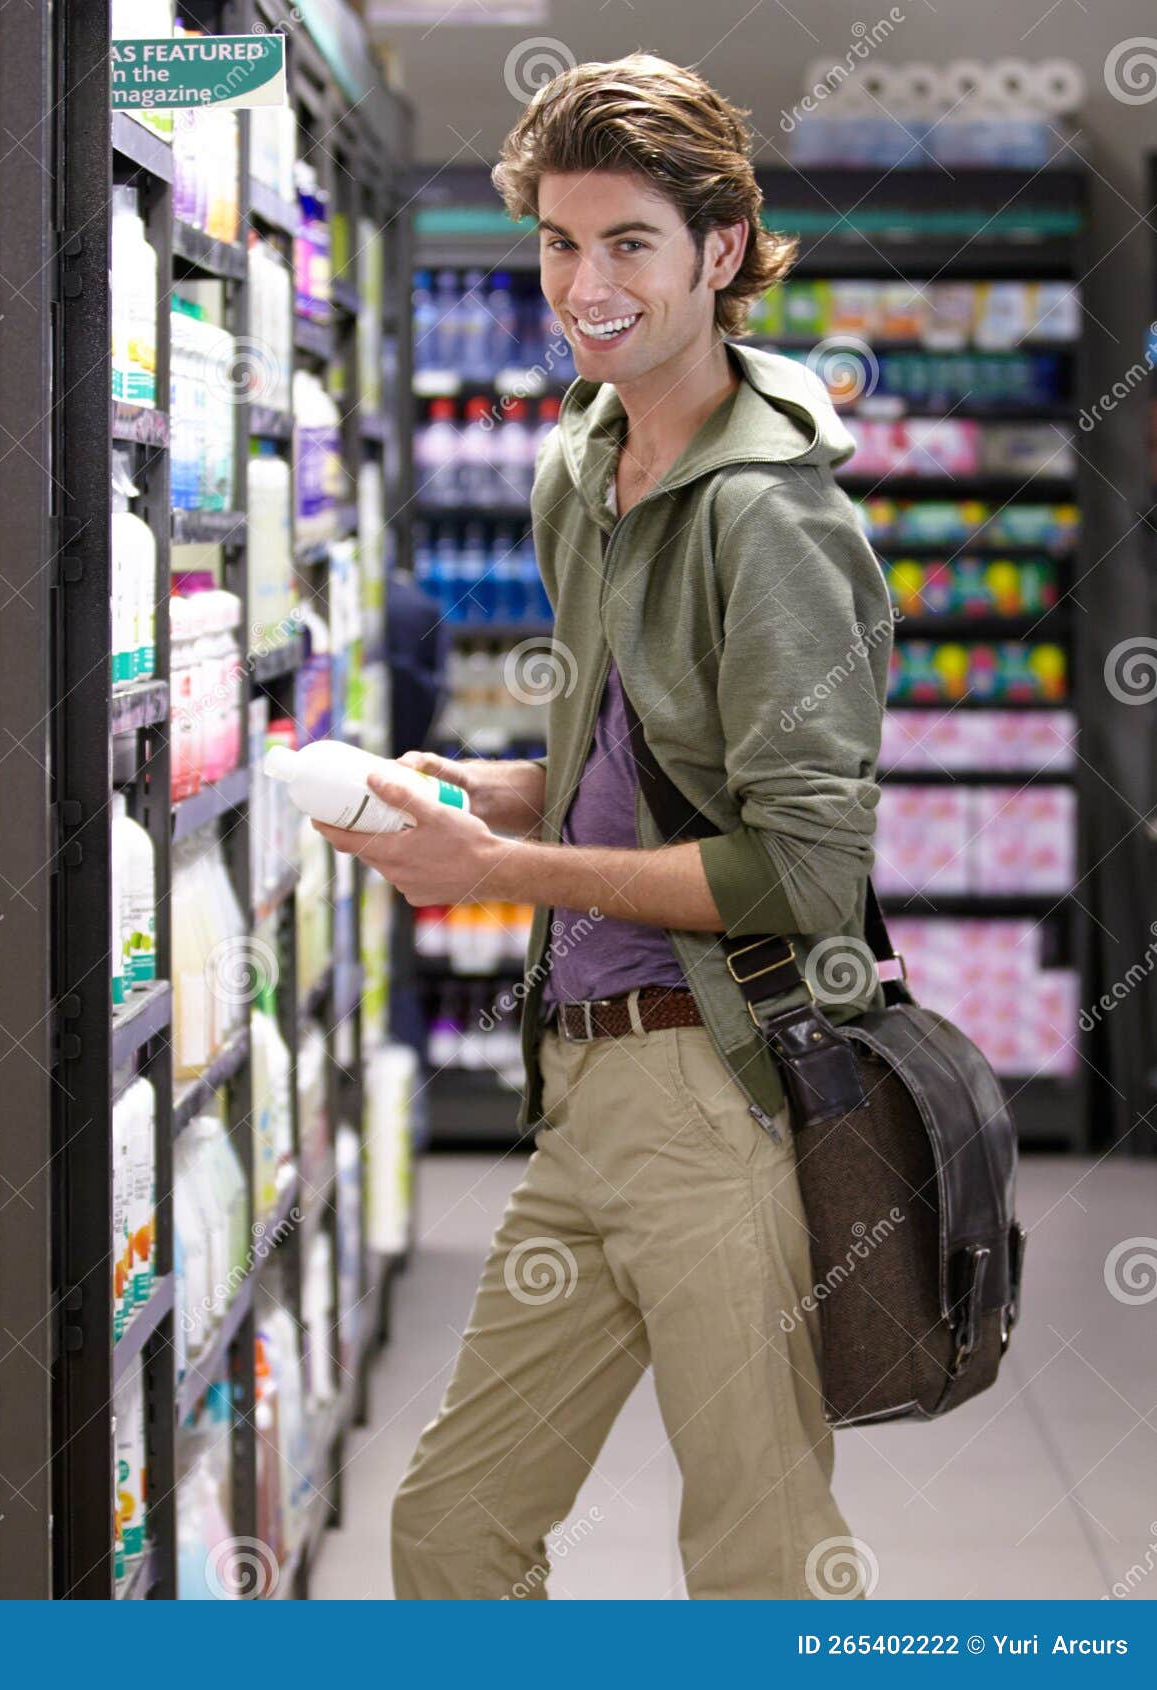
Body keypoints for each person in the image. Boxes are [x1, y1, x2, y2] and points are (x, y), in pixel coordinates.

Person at [313, 54, 892, 1599]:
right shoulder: (589, 464)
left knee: (762, 1561)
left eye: (629, 241)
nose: (586, 282)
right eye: (561, 244)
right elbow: (626, 775)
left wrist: (504, 872)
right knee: (449, 1532)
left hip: (718, 1098)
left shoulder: (775, 521)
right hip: (582, 1086)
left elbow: (809, 875)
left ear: (721, 247)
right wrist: (457, 790)